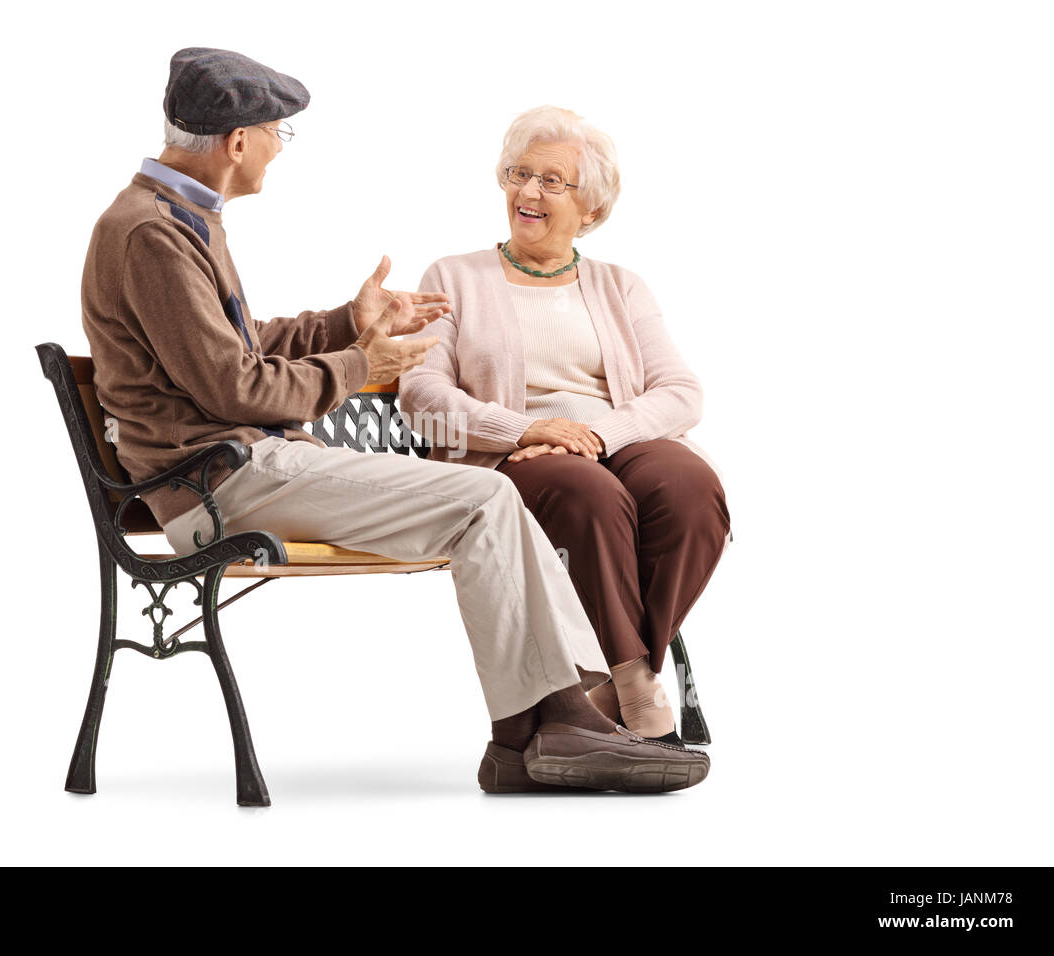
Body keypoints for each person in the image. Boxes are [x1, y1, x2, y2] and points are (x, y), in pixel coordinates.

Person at [81, 49, 709, 794]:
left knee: (498, 502)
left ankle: (542, 734)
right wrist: (360, 361)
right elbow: (235, 385)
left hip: (245, 465)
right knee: (486, 499)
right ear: (237, 141)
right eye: (278, 134)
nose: (280, 151)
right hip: (219, 481)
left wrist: (350, 322)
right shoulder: (152, 232)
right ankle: (558, 724)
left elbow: (235, 353)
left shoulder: (180, 218)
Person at [401, 106, 732, 745]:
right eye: (518, 174)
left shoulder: (620, 286)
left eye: (553, 182)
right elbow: (421, 397)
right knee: (591, 495)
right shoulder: (453, 277)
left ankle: (604, 684)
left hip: (614, 437)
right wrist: (521, 431)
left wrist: (601, 435)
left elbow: (682, 391)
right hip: (516, 457)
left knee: (691, 490)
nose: (528, 192)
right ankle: (639, 689)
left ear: (592, 211)